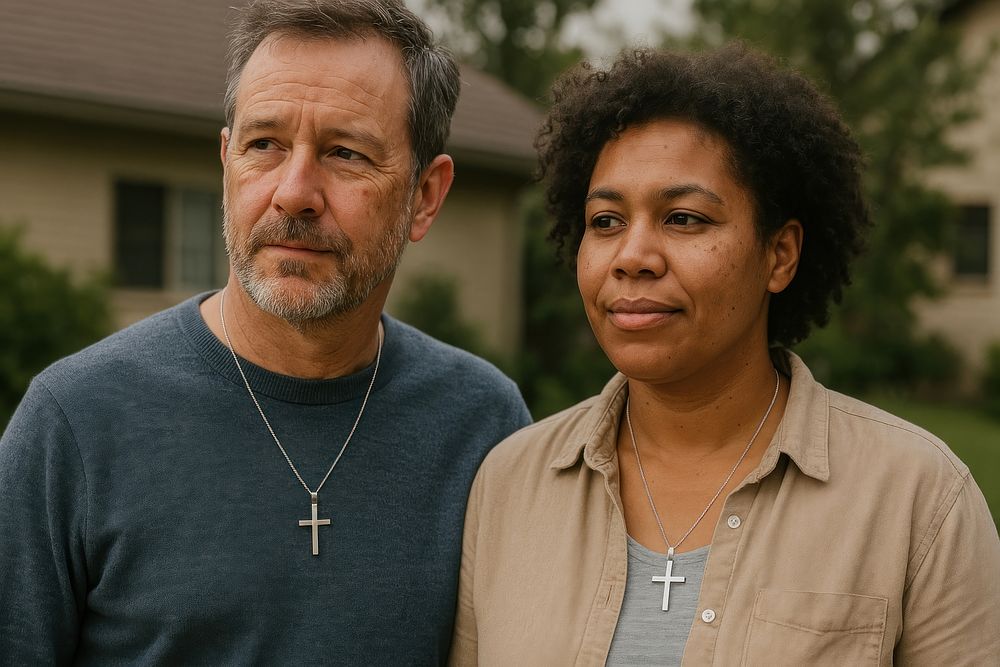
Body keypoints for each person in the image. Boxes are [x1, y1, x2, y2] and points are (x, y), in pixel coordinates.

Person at [0, 0, 530, 663]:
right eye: (264, 145)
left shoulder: (484, 427)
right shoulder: (74, 425)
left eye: (344, 152)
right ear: (227, 164)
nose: (294, 191)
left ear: (425, 195)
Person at [449, 44, 1000, 666]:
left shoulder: (915, 498)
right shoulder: (509, 484)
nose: (632, 255)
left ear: (780, 255)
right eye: (605, 221)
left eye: (683, 218)